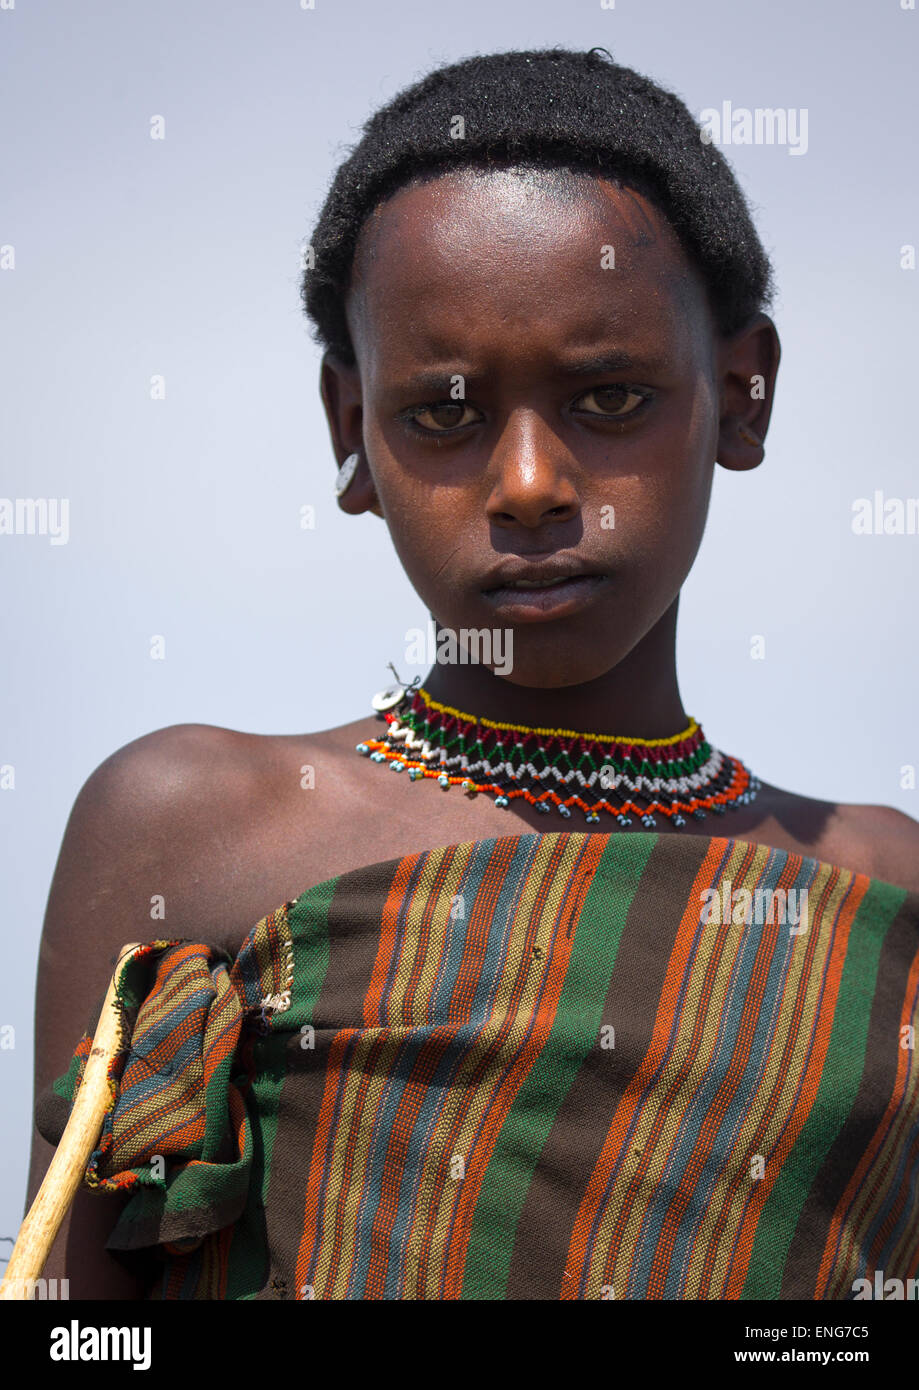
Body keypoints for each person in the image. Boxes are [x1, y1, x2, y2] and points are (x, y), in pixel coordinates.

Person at [24, 47, 919, 1301]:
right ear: (351, 433)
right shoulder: (193, 827)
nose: (531, 485)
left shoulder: (884, 897)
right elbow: (74, 1328)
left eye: (610, 396)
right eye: (441, 414)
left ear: (742, 393)